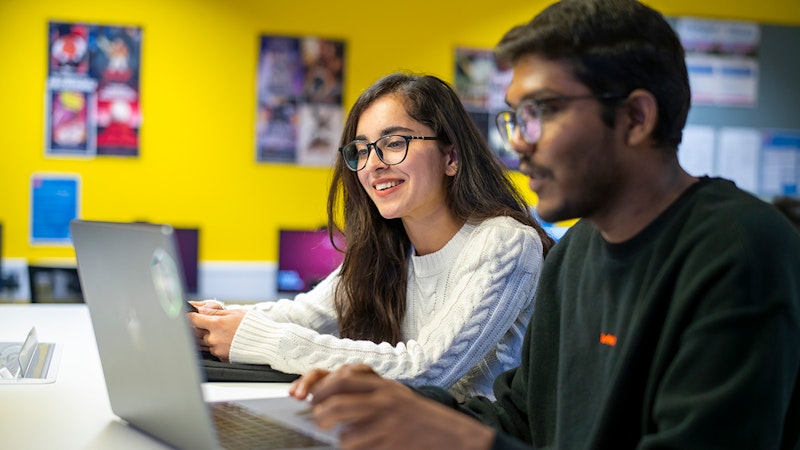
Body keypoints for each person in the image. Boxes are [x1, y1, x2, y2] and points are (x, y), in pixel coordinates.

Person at [288, 1, 800, 449]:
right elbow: (521, 419)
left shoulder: (738, 249)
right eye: (515, 118)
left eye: (542, 112)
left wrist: (463, 440)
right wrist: (402, 410)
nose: (520, 143)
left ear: (636, 118)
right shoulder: (574, 254)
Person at [189, 73, 555, 399]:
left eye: (394, 143)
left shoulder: (506, 243)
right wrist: (212, 319)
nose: (373, 163)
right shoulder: (388, 249)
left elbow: (423, 370)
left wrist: (255, 338)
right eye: (361, 150)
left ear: (451, 157)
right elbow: (302, 315)